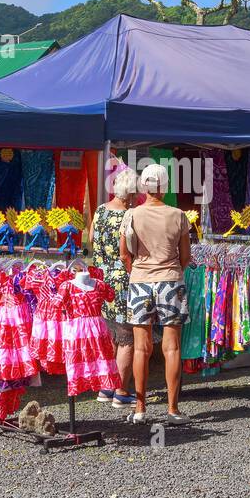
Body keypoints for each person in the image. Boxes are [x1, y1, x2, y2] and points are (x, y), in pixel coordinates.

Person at [120, 163, 192, 425]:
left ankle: (140, 408)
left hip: (140, 281)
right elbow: (186, 256)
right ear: (165, 186)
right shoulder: (178, 215)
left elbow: (124, 254)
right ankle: (173, 409)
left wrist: (138, 271)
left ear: (143, 187)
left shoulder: (132, 215)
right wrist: (171, 270)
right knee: (171, 347)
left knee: (141, 347)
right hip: (170, 280)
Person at [89, 166, 139, 410]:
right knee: (127, 336)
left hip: (101, 280)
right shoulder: (129, 215)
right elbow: (132, 249)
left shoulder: (99, 210)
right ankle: (120, 391)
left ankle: (105, 387)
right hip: (122, 280)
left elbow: (90, 238)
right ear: (130, 193)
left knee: (110, 334)